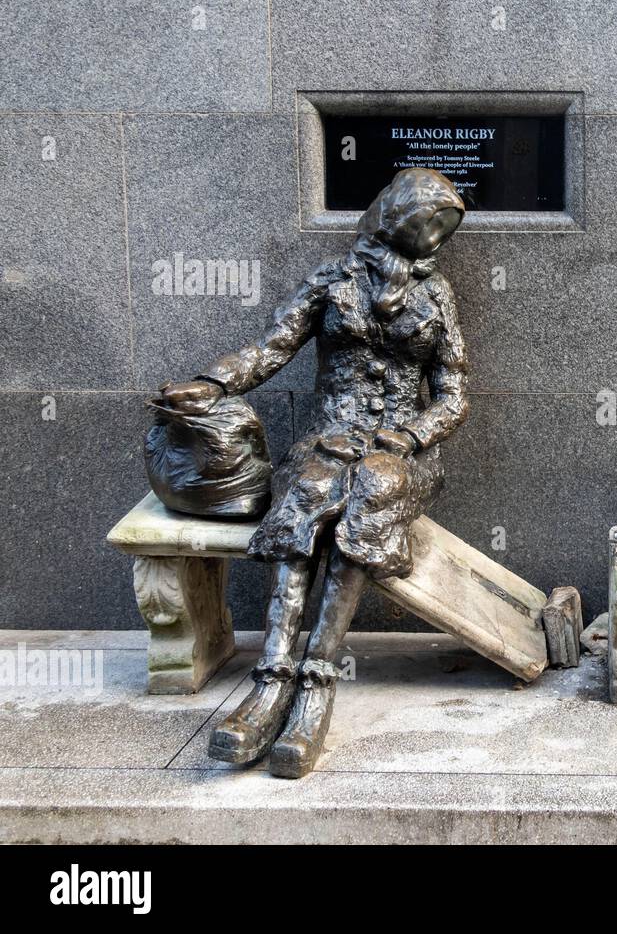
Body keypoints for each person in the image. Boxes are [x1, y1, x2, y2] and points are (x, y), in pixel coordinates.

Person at [159, 168, 469, 777]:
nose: (435, 239)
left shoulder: (438, 297)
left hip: (405, 453)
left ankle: (317, 686)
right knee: (311, 490)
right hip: (330, 438)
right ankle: (271, 681)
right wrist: (214, 382)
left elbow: (455, 393)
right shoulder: (333, 281)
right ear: (395, 212)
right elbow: (271, 347)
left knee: (372, 491)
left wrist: (412, 434)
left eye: (446, 230)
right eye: (428, 221)